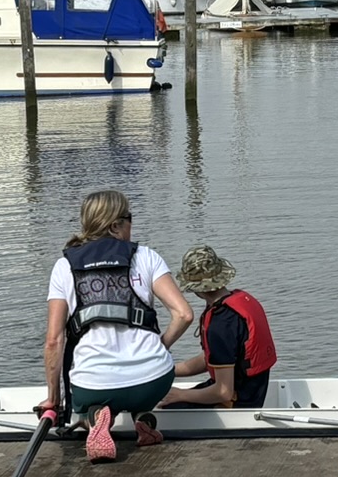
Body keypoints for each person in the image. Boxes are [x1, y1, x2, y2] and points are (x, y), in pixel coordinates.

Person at [43, 189, 195, 461]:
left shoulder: (64, 266)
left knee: (92, 397)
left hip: (94, 383)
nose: (132, 225)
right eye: (129, 218)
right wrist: (162, 345)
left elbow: (54, 341)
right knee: (147, 380)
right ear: (115, 225)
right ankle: (143, 416)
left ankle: (97, 416)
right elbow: (184, 314)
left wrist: (53, 400)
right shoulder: (146, 256)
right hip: (153, 380)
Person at [161, 245, 278, 409]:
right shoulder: (239, 302)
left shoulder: (220, 325)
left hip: (237, 402)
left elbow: (223, 392)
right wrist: (168, 372)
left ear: (195, 288)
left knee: (165, 407)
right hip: (251, 391)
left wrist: (181, 394)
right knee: (171, 397)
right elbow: (215, 357)